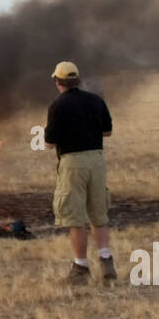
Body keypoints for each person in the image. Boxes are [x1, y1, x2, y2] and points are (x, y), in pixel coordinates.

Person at [44, 61, 114, 285]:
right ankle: (106, 261)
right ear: (78, 80)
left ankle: (81, 268)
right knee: (98, 213)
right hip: (97, 160)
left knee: (76, 218)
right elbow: (108, 131)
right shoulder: (96, 100)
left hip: (73, 163)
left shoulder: (58, 106)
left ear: (58, 82)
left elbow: (49, 142)